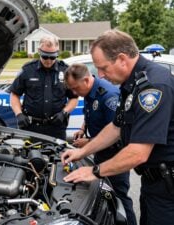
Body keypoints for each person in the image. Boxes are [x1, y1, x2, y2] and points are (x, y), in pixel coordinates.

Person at [61, 29, 174, 225]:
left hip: (168, 190)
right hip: (154, 183)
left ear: (122, 59)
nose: (101, 75)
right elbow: (116, 128)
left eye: (103, 68)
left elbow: (138, 153)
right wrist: (82, 152)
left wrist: (94, 171)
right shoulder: (132, 84)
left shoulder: (153, 87)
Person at [64, 63, 137, 225]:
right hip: (100, 152)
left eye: (76, 88)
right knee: (103, 194)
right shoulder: (90, 93)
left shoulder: (108, 95)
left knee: (119, 196)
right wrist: (83, 129)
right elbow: (90, 113)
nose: (75, 93)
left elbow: (118, 132)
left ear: (86, 80)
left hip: (115, 154)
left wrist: (87, 142)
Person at [9, 35, 78, 140]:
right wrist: (19, 114)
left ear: (57, 53)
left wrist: (64, 113)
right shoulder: (27, 70)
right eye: (45, 56)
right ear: (39, 51)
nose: (49, 60)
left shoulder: (65, 71)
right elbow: (14, 94)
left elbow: (74, 97)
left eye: (53, 57)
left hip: (56, 128)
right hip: (31, 127)